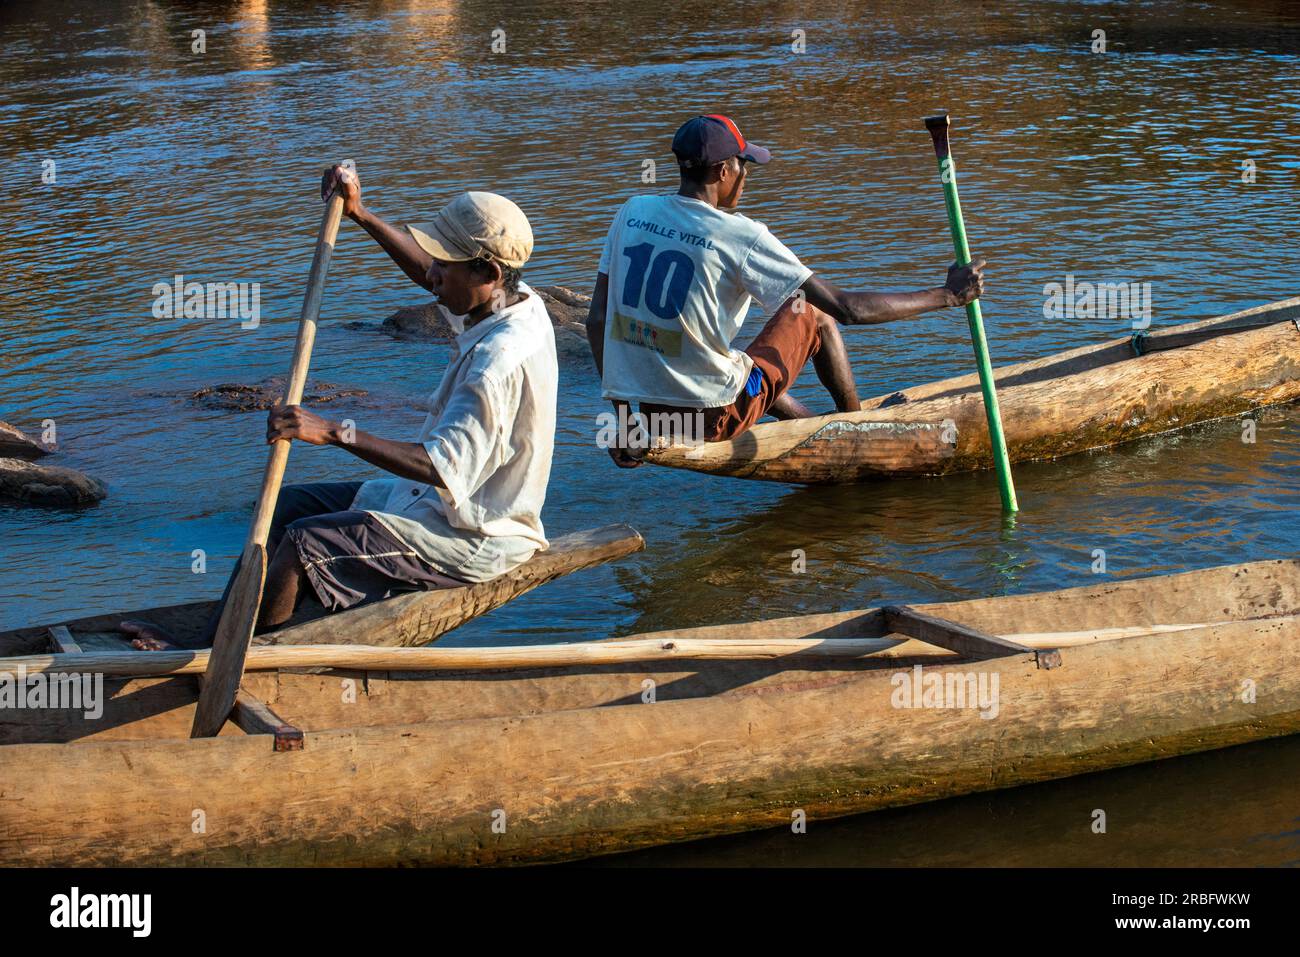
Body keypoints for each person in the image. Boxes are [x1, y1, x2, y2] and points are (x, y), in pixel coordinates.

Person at [124, 169, 557, 649]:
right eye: (435, 261)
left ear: (487, 274)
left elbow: (440, 466)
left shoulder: (496, 364)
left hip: (475, 534)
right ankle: (217, 637)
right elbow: (427, 275)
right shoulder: (512, 301)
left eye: (444, 267)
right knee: (286, 507)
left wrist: (332, 432)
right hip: (428, 503)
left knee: (305, 542)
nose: (432, 277)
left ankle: (225, 659)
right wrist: (360, 214)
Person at [585, 113, 986, 467]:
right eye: (744, 166)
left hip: (655, 413)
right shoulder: (739, 235)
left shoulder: (632, 212)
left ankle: (806, 424)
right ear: (723, 171)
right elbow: (847, 308)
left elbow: (598, 319)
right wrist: (947, 295)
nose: (745, 176)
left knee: (737, 358)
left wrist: (625, 420)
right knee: (813, 312)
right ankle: (856, 429)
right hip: (715, 415)